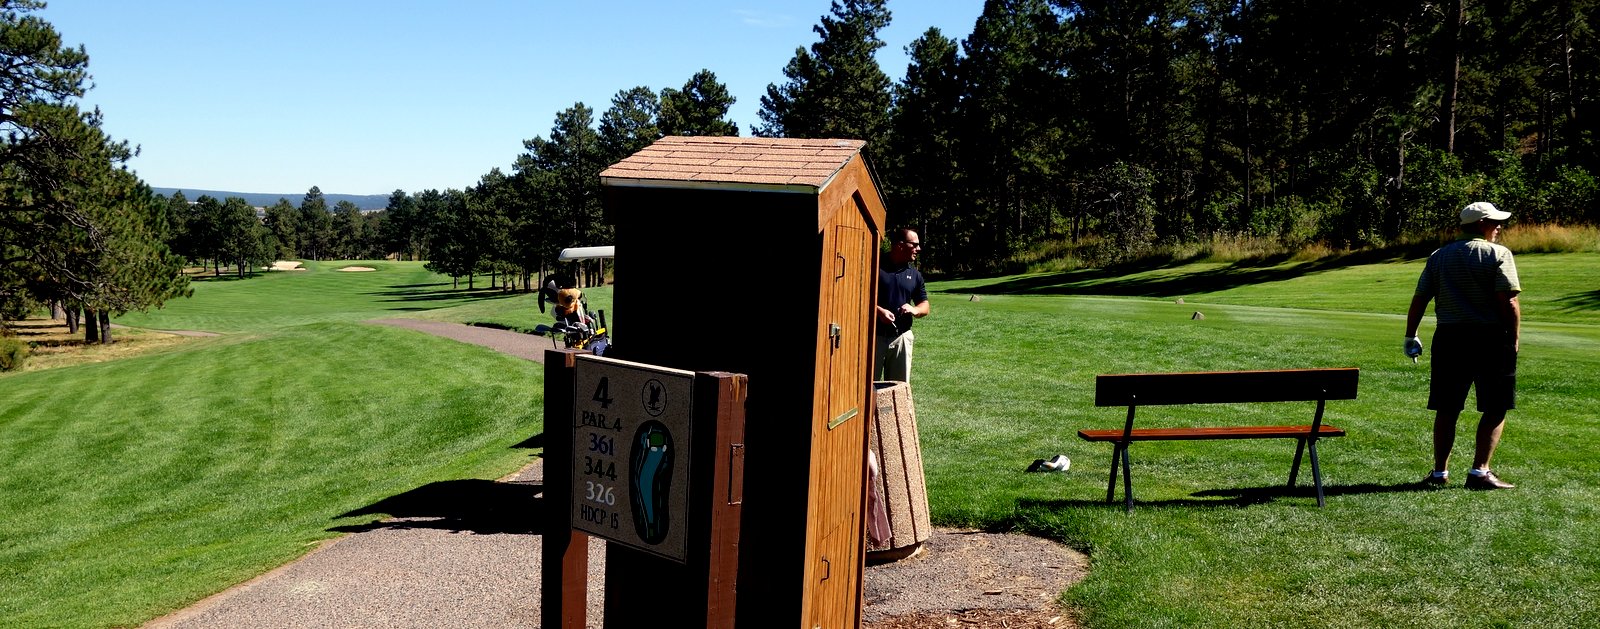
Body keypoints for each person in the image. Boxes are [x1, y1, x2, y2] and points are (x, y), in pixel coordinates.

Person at [1405, 201, 1521, 490]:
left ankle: (1439, 473)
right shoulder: (1498, 253)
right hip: (1490, 338)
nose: (1499, 227)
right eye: (1495, 222)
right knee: (1495, 406)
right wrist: (1514, 336)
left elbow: (1421, 297)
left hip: (1449, 338)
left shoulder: (1439, 256)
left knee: (1447, 407)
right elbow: (1508, 300)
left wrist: (1411, 334)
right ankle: (1480, 471)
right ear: (1482, 224)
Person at [875, 228, 931, 383]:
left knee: (898, 391)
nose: (918, 249)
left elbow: (925, 305)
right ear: (900, 245)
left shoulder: (914, 274)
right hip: (873, 338)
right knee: (866, 387)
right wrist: (878, 311)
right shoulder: (875, 265)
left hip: (902, 338)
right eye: (914, 245)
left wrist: (914, 309)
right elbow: (858, 297)